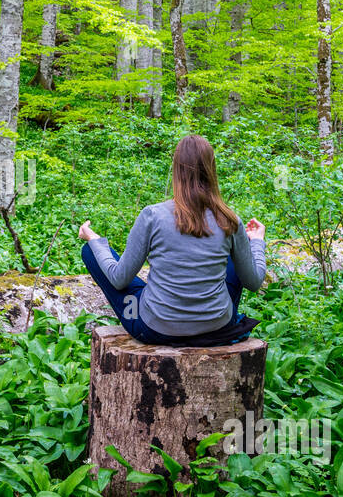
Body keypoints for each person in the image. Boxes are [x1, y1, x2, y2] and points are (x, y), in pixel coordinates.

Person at [79, 134, 267, 346]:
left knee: (90, 252)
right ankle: (209, 320)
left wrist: (95, 240)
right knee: (236, 253)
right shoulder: (230, 221)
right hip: (218, 326)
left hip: (154, 329)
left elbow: (119, 279)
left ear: (176, 170)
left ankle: (157, 316)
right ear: (211, 170)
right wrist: (257, 242)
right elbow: (254, 282)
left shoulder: (153, 215)